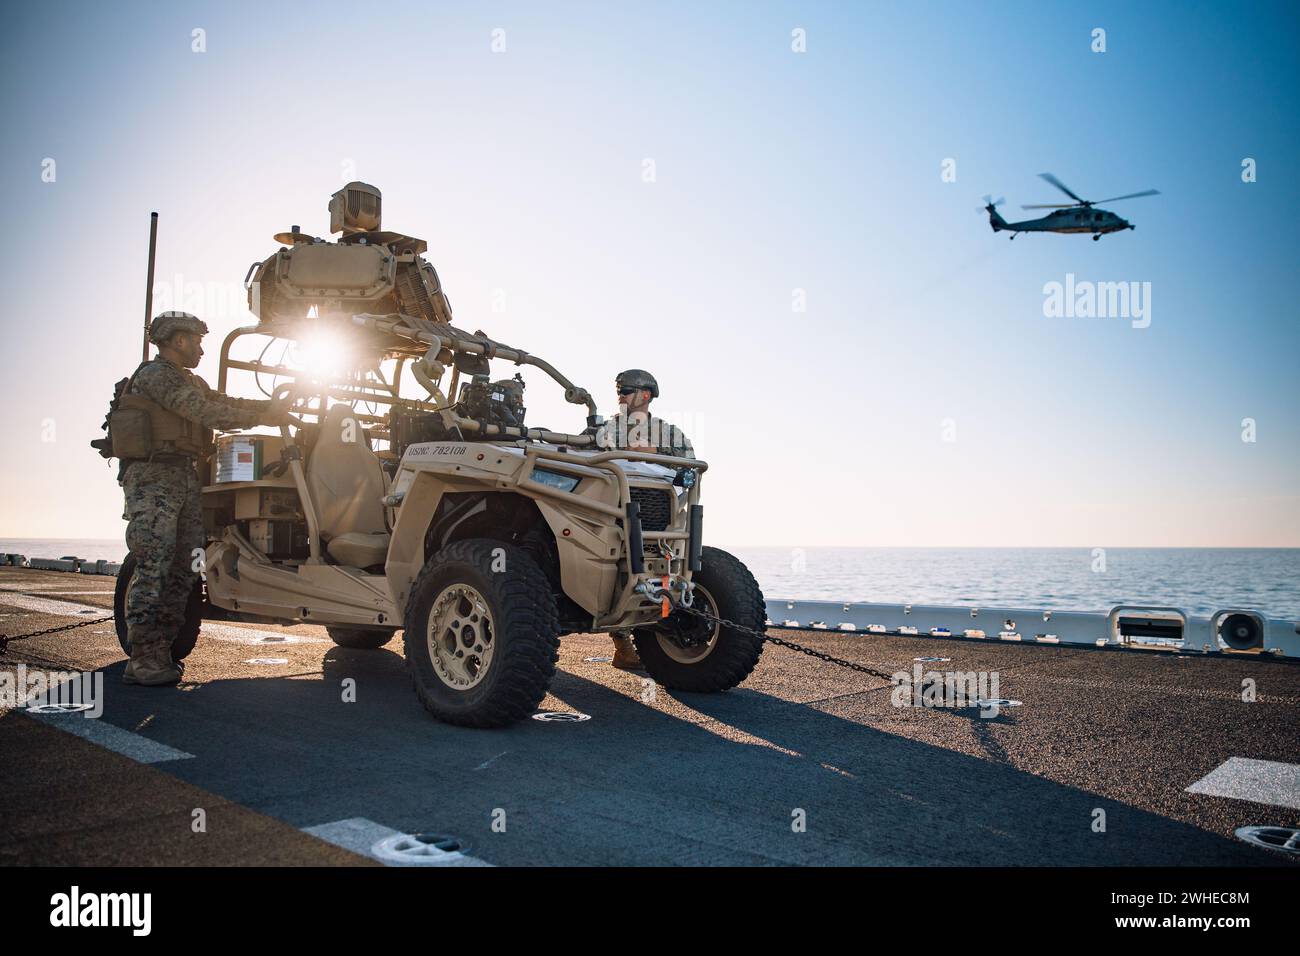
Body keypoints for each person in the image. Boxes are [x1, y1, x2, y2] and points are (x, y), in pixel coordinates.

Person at [119, 311, 292, 686]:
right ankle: (142, 657)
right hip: (153, 478)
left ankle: (161, 651)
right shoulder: (154, 376)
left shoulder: (190, 380)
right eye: (196, 340)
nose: (200, 348)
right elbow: (204, 410)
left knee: (184, 567)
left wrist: (267, 408)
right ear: (177, 340)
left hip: (184, 477)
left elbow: (222, 400)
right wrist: (264, 414)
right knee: (155, 565)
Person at [595, 369, 695, 670]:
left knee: (662, 569)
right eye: (619, 391)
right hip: (613, 508)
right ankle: (622, 644)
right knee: (614, 571)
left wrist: (653, 453)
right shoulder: (605, 429)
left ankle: (662, 630)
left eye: (627, 390)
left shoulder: (667, 432)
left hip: (659, 513)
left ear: (646, 395)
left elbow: (688, 463)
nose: (621, 395)